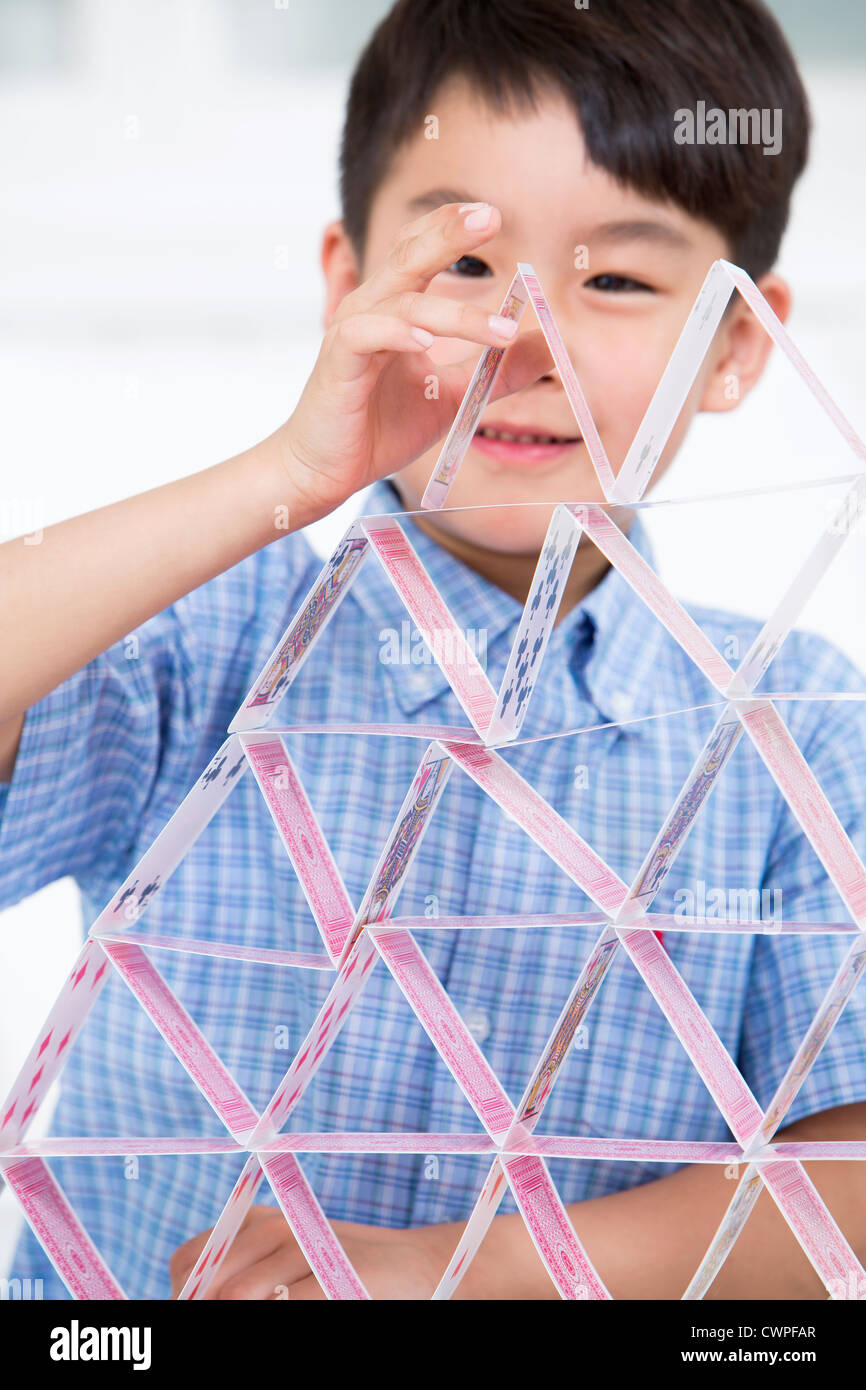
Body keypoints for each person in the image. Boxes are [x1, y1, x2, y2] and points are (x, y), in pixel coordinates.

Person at [2, 0, 865, 1301]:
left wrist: (449, 1273)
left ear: (734, 343)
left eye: (617, 279)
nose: (527, 340)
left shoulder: (799, 723)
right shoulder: (205, 645)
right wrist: (285, 474)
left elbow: (844, 1189)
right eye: (463, 267)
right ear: (348, 285)